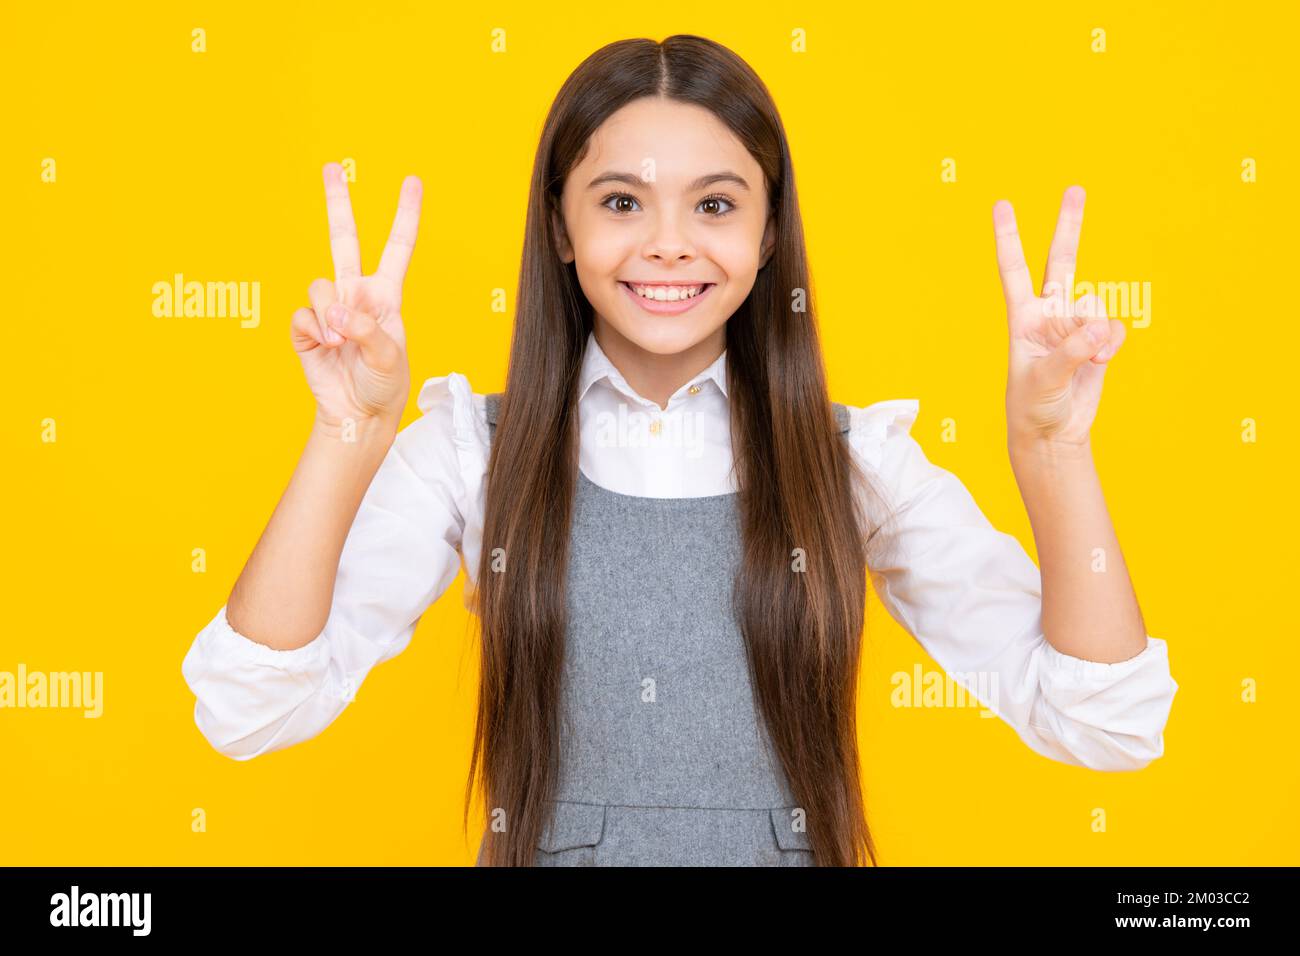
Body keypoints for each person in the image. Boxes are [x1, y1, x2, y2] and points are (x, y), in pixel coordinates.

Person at [181, 35, 1178, 867]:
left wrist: (1053, 450)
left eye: (714, 204)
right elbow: (249, 707)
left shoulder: (854, 461)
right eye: (620, 202)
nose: (668, 244)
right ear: (561, 227)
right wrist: (345, 434)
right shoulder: (467, 451)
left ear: (767, 231)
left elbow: (1102, 723)